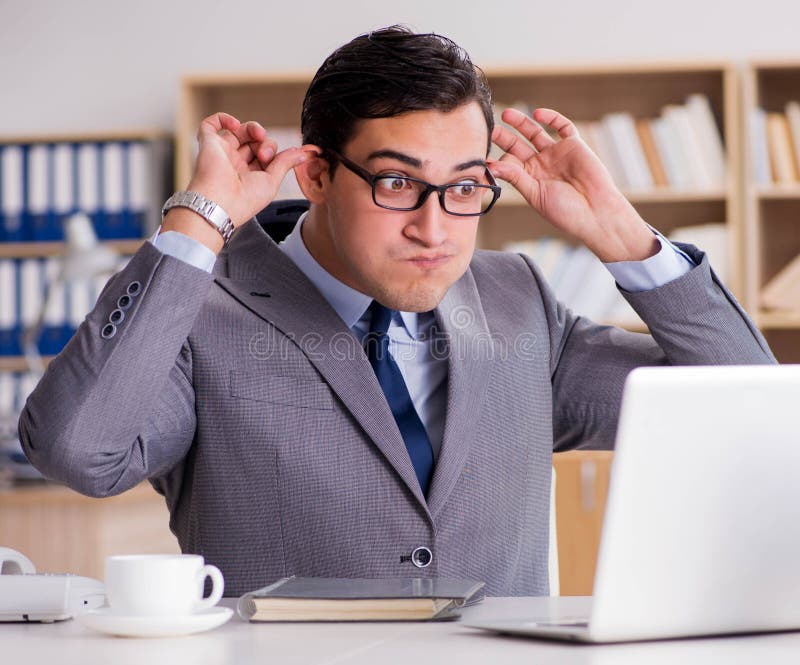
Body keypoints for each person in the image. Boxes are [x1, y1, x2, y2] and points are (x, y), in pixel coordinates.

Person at [19, 26, 774, 597]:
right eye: (395, 183)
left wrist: (625, 238)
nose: (434, 227)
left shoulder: (519, 300)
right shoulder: (203, 309)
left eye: (464, 187)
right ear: (315, 173)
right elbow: (79, 450)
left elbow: (745, 405)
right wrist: (197, 222)